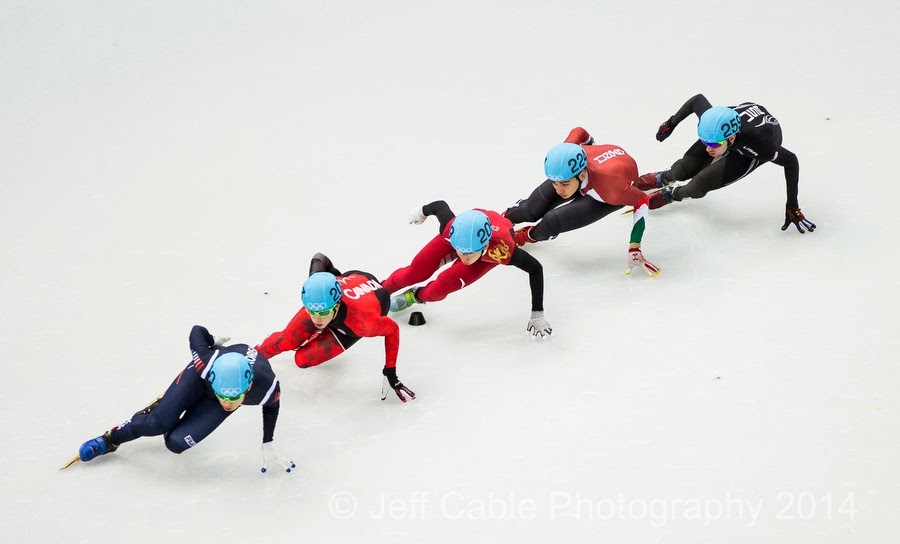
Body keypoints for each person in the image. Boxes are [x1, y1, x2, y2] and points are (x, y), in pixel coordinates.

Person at [75, 325, 294, 473]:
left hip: (216, 393)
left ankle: (174, 410)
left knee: (175, 444)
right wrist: (212, 342)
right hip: (199, 380)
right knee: (157, 424)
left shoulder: (267, 387)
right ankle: (110, 440)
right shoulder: (205, 364)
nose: (227, 403)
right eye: (223, 396)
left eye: (234, 398)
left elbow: (272, 407)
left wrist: (267, 443)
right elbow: (197, 331)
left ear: (248, 388)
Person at [635, 93, 816, 234]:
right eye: (705, 142)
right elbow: (697, 100)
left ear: (731, 138)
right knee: (683, 169)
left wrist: (792, 205)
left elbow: (791, 161)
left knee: (699, 185)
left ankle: (673, 194)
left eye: (713, 145)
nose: (708, 148)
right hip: (731, 127)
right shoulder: (713, 123)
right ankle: (665, 177)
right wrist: (671, 123)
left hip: (751, 148)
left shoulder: (759, 145)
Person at [256, 253, 415, 403]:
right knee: (287, 340)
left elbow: (393, 329)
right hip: (349, 282)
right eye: (311, 312)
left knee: (302, 359)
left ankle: (325, 330)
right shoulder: (318, 291)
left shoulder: (363, 322)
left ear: (337, 305)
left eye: (323, 313)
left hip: (364, 309)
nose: (317, 319)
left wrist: (390, 372)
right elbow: (319, 257)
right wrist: (329, 277)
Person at [503, 128, 660, 276]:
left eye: (564, 184)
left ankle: (524, 237)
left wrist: (634, 246)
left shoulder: (611, 189)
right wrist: (590, 144)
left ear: (582, 174)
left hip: (606, 192)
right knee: (529, 210)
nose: (558, 190)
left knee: (552, 221)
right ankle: (501, 221)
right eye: (554, 183)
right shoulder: (568, 153)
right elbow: (579, 131)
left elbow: (642, 200)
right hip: (593, 172)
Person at [383, 201, 553, 338]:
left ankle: (414, 296)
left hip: (491, 249)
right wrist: (422, 211)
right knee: (414, 273)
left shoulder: (502, 249)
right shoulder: (450, 229)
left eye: (469, 254)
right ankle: (381, 290)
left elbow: (536, 269)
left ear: (484, 246)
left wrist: (537, 312)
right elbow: (440, 206)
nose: (464, 259)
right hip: (464, 236)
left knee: (439, 289)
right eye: (460, 252)